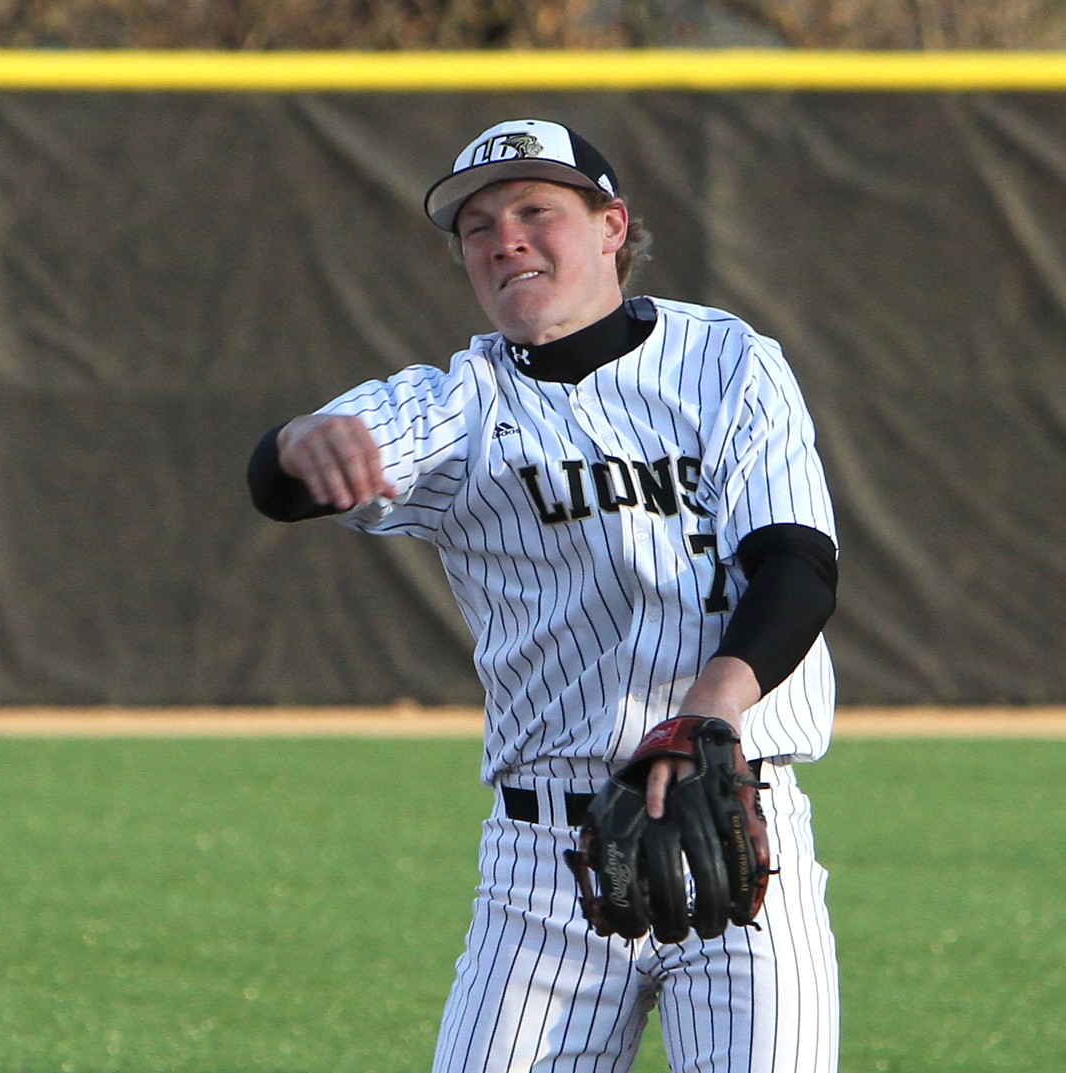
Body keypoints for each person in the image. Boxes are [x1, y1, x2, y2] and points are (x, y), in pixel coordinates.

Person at [246, 119, 841, 1073]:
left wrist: (705, 714)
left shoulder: (728, 361)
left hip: (739, 824)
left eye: (536, 210)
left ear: (613, 227)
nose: (504, 238)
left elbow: (797, 562)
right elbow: (289, 476)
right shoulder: (458, 404)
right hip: (544, 867)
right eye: (477, 225)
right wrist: (294, 444)